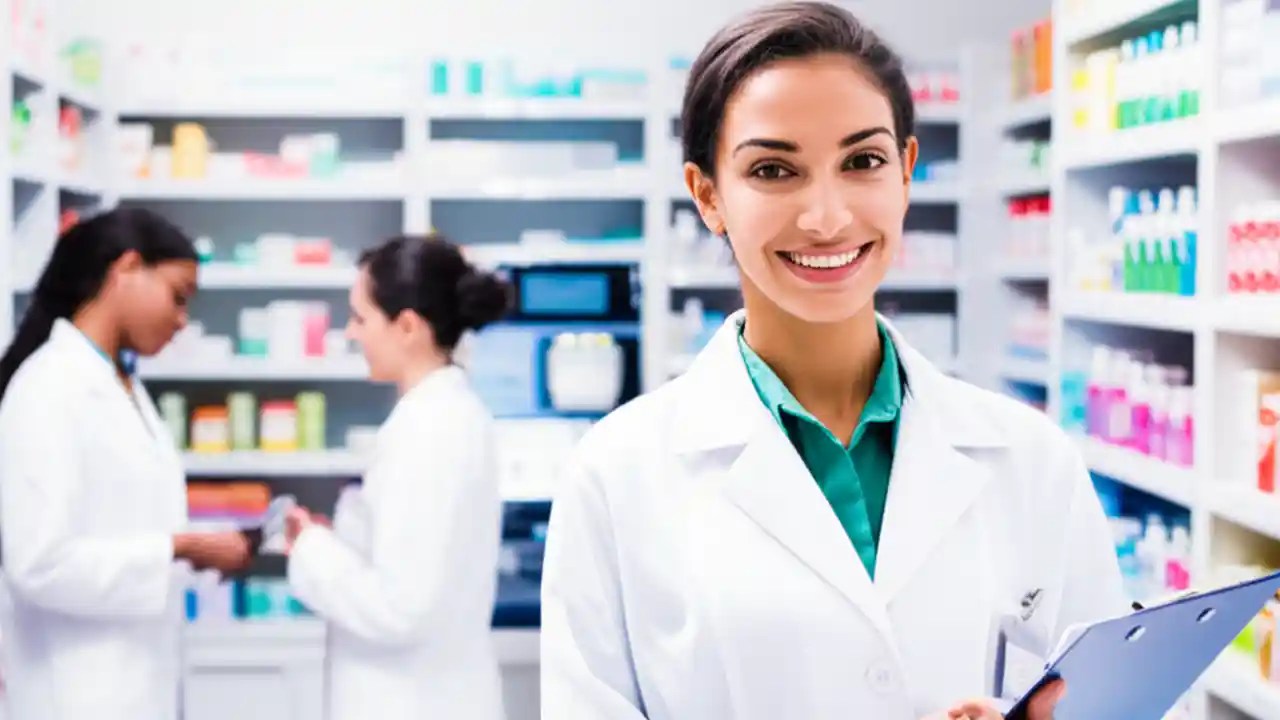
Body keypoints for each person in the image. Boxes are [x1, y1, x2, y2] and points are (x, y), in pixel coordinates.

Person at [539, 3, 1126, 719]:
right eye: (774, 169)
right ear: (707, 196)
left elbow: (1113, 705)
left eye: (863, 161)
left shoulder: (1034, 461)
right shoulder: (616, 476)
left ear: (906, 172)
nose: (825, 217)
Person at [0, 208, 253, 720]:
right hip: (72, 694)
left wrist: (194, 557)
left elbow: (124, 523)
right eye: (177, 297)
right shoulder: (47, 389)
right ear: (127, 268)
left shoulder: (124, 386)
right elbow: (38, 565)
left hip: (135, 685)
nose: (183, 321)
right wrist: (176, 548)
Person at [282, 234, 511, 720]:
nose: (351, 333)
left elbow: (402, 607)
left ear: (407, 327)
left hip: (414, 701)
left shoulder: (431, 429)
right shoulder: (444, 414)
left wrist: (309, 548)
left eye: (361, 318)